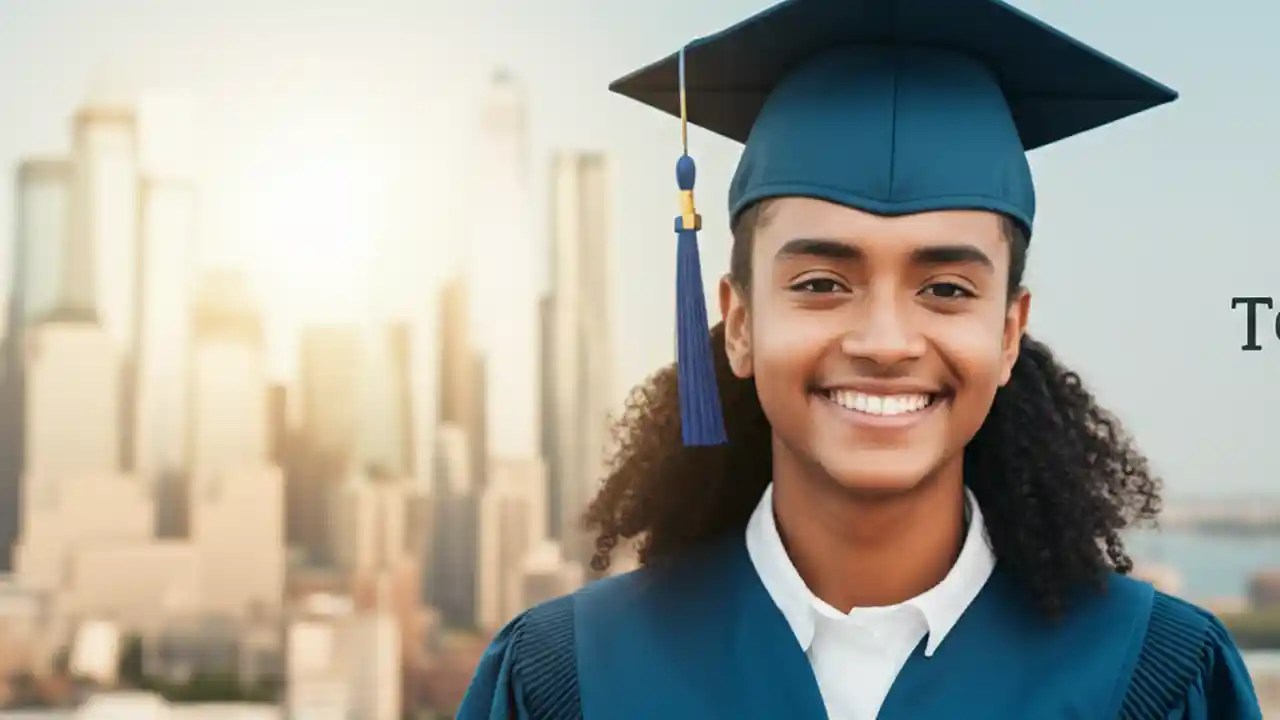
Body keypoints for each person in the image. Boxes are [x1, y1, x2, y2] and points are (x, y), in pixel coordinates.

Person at [458, 0, 1264, 717]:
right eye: (820, 282)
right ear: (737, 322)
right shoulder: (574, 680)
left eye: (946, 289)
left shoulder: (1150, 679)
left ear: (1010, 333)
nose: (884, 341)